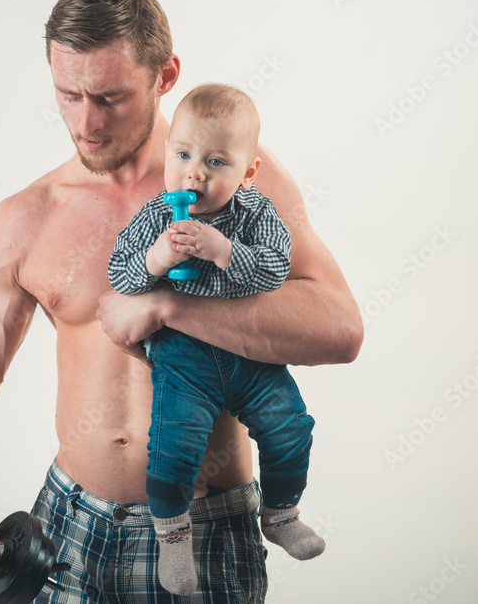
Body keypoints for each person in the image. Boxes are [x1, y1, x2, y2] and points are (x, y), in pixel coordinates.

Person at [0, 0, 363, 603]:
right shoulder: (27, 218)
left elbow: (339, 328)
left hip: (207, 530)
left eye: (110, 97)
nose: (87, 122)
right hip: (68, 526)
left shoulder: (236, 177)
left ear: (165, 76)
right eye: (69, 95)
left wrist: (166, 306)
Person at [108, 82, 327, 595]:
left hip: (249, 352)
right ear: (167, 152)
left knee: (291, 427)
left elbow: (275, 268)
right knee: (173, 445)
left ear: (248, 172)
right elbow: (119, 274)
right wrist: (156, 259)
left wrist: (222, 250)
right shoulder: (156, 217)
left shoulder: (256, 213)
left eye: (216, 162)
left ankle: (280, 514)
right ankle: (172, 535)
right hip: (183, 358)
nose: (195, 173)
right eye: (183, 155)